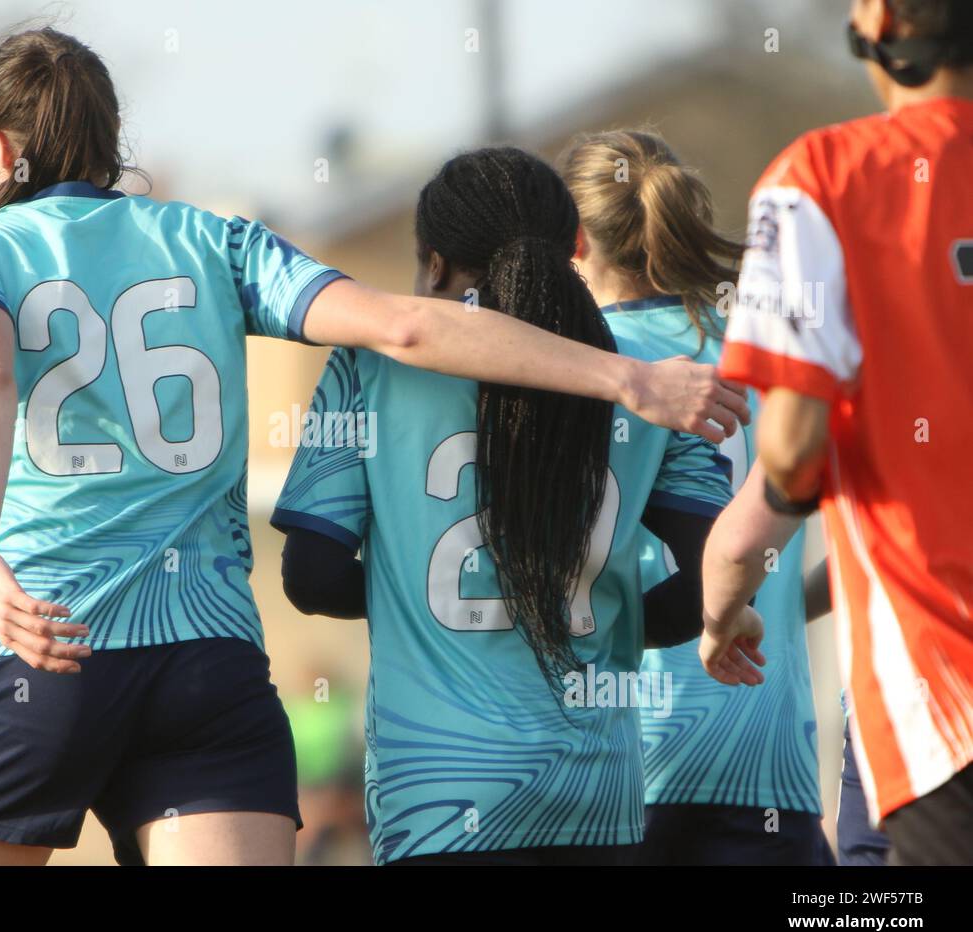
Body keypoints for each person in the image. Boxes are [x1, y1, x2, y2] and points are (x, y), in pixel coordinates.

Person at [0, 28, 746, 867]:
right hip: (206, 666)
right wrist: (624, 378)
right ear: (112, 142)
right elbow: (406, 325)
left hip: (44, 649)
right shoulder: (217, 241)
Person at [272, 147, 733, 865]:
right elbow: (688, 602)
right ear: (572, 250)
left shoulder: (368, 364)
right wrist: (572, 603)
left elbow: (311, 576)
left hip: (437, 793)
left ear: (432, 266)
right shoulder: (649, 378)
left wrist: (420, 590)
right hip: (594, 792)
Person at [702, 0, 973, 865]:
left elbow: (789, 449)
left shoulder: (821, 176)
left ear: (879, 20)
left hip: (943, 685)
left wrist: (730, 600)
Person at [561, 130, 831, 865]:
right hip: (769, 751)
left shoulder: (586, 366)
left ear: (575, 239)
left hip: (627, 753)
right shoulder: (771, 353)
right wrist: (765, 608)